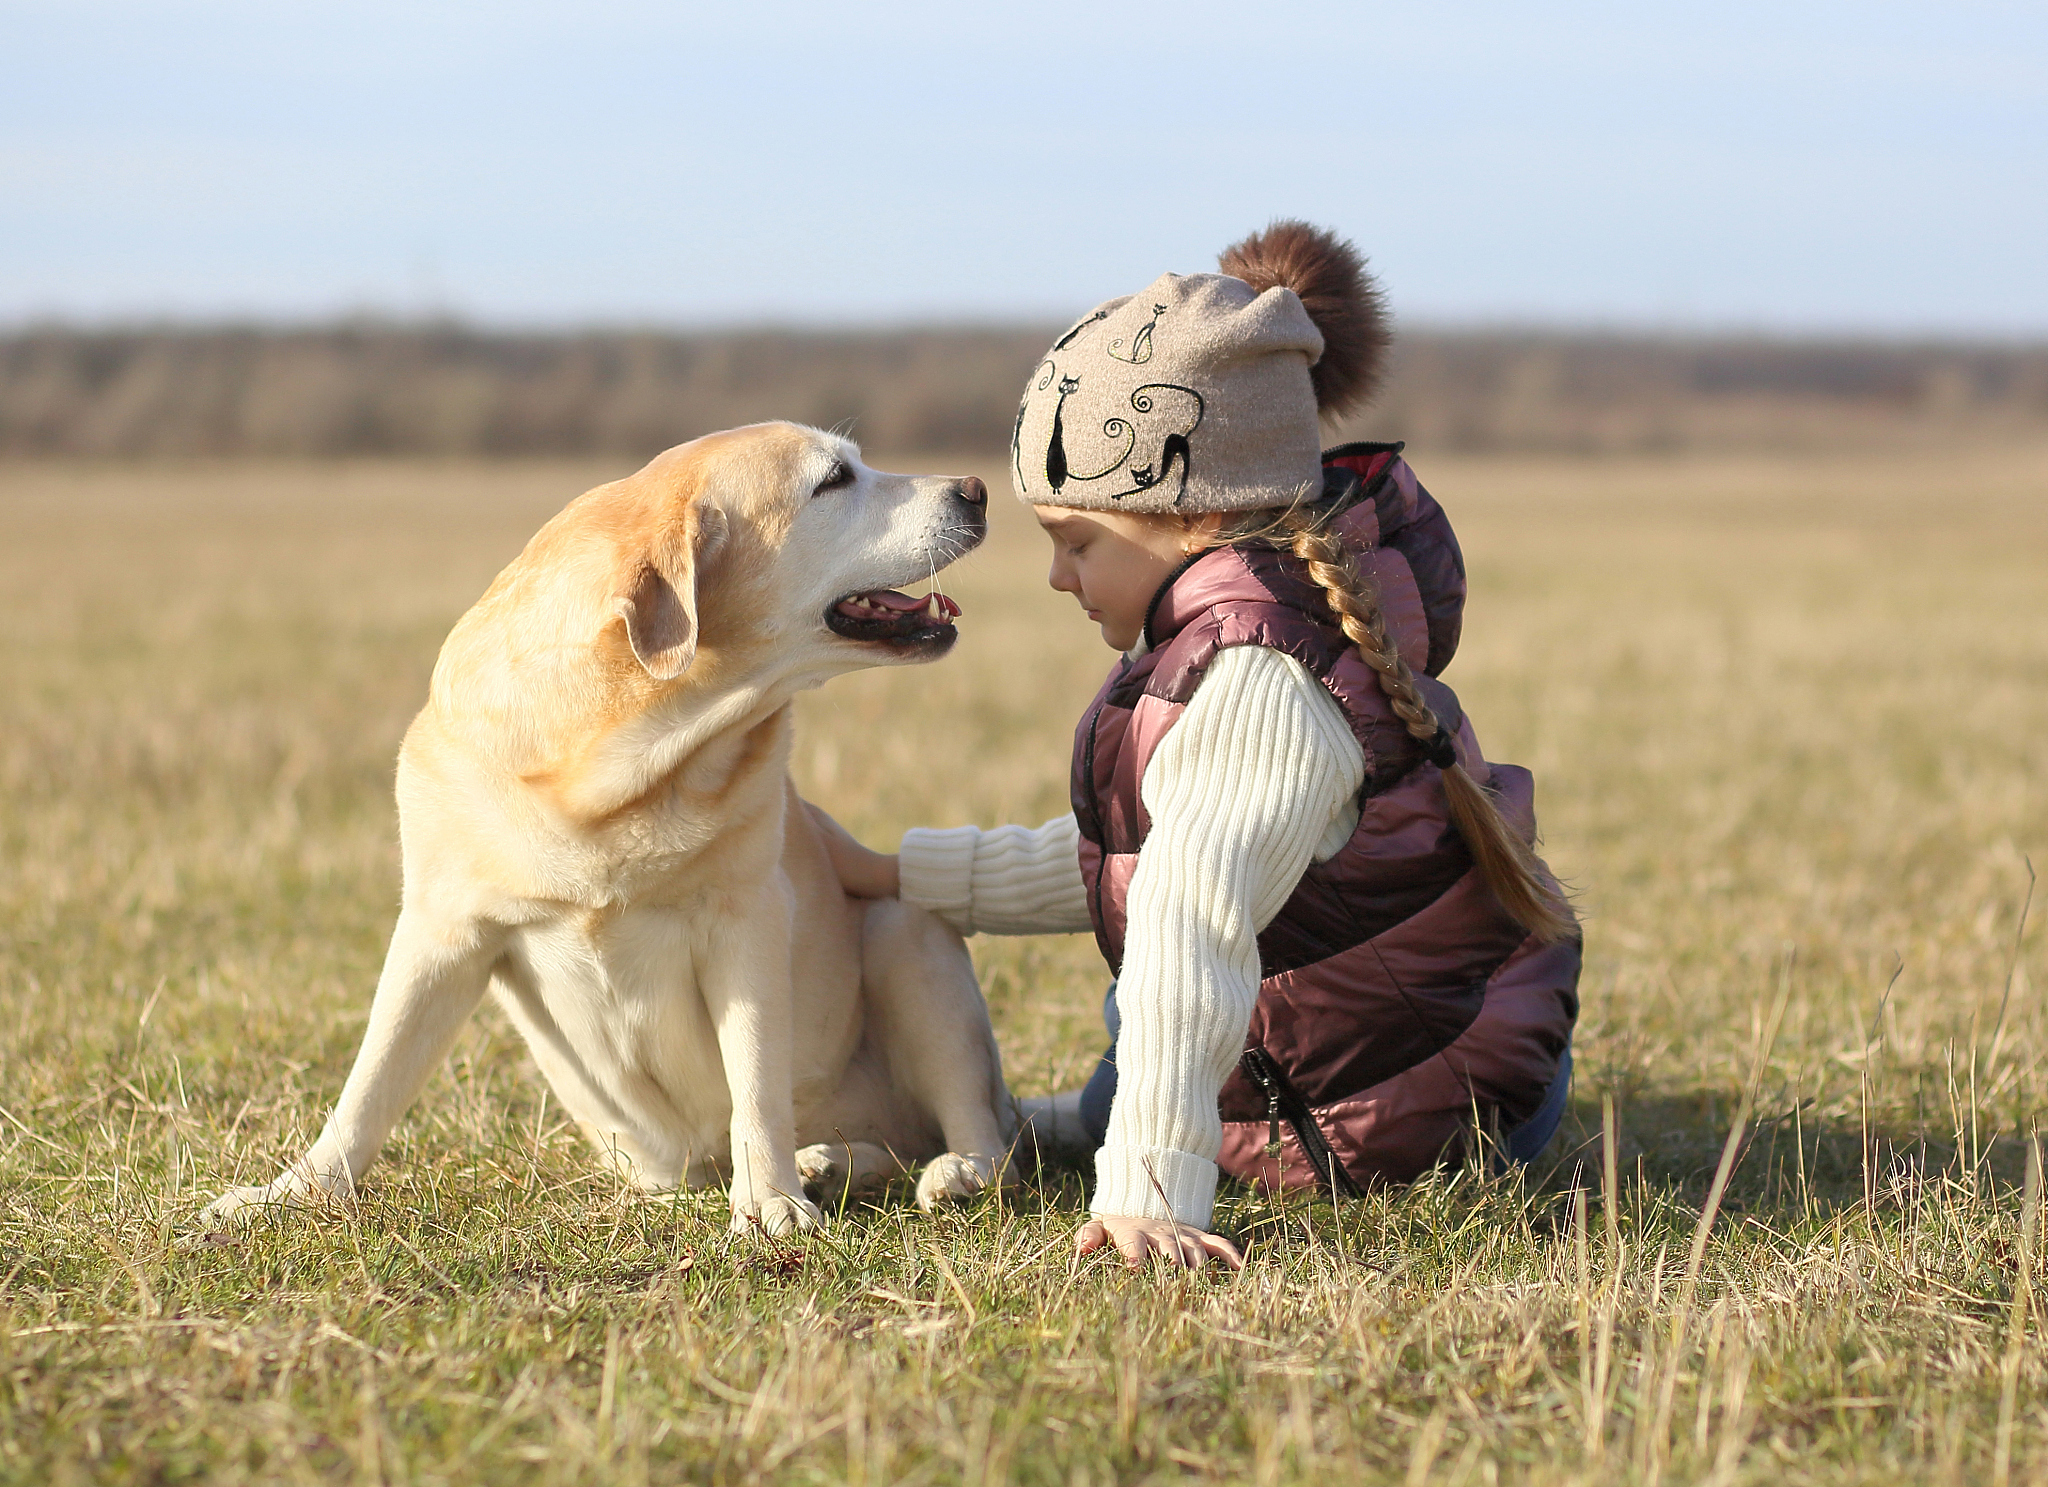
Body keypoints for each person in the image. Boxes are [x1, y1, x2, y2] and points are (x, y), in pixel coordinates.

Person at [813, 221, 1580, 1269]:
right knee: (1127, 1055)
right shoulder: (1258, 625)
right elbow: (1132, 862)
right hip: (1391, 1051)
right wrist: (900, 870)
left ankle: (1106, 1134)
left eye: (1075, 542)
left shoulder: (1258, 680)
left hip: (1420, 1116)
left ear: (1195, 515)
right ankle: (1073, 1119)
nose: (1057, 578)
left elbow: (1186, 924)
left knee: (1148, 1026)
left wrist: (1149, 1191)